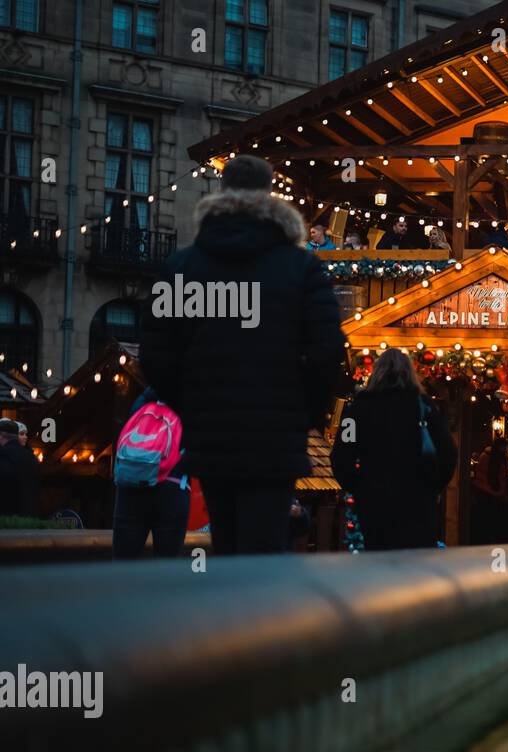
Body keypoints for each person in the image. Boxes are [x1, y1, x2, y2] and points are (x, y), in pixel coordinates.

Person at [142, 154, 347, 555]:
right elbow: (327, 352)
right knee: (265, 547)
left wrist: (191, 406)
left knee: (226, 544)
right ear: (269, 194)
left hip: (211, 433)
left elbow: (156, 354)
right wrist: (305, 414)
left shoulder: (182, 268)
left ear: (222, 192)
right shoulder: (302, 268)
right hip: (276, 436)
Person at [329, 348, 456, 551]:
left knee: (379, 557)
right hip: (417, 499)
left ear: (377, 372)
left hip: (374, 500)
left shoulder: (358, 408)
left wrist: (359, 486)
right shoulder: (424, 406)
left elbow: (341, 455)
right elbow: (447, 451)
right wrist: (433, 485)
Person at [111, 387, 191, 559]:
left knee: (123, 563)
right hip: (173, 488)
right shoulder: (191, 405)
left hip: (131, 486)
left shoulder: (140, 406)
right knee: (166, 567)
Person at [470, 438, 508, 544]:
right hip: (491, 493)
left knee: (485, 521)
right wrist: (501, 491)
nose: (505, 449)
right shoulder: (495, 457)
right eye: (504, 446)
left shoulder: (486, 455)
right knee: (491, 520)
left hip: (484, 491)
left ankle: (485, 539)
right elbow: (494, 476)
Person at [0, 417, 39, 517]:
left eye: (25, 434)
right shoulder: (31, 457)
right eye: (22, 434)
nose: (25, 437)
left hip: (7, 514)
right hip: (28, 514)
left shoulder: (4, 455)